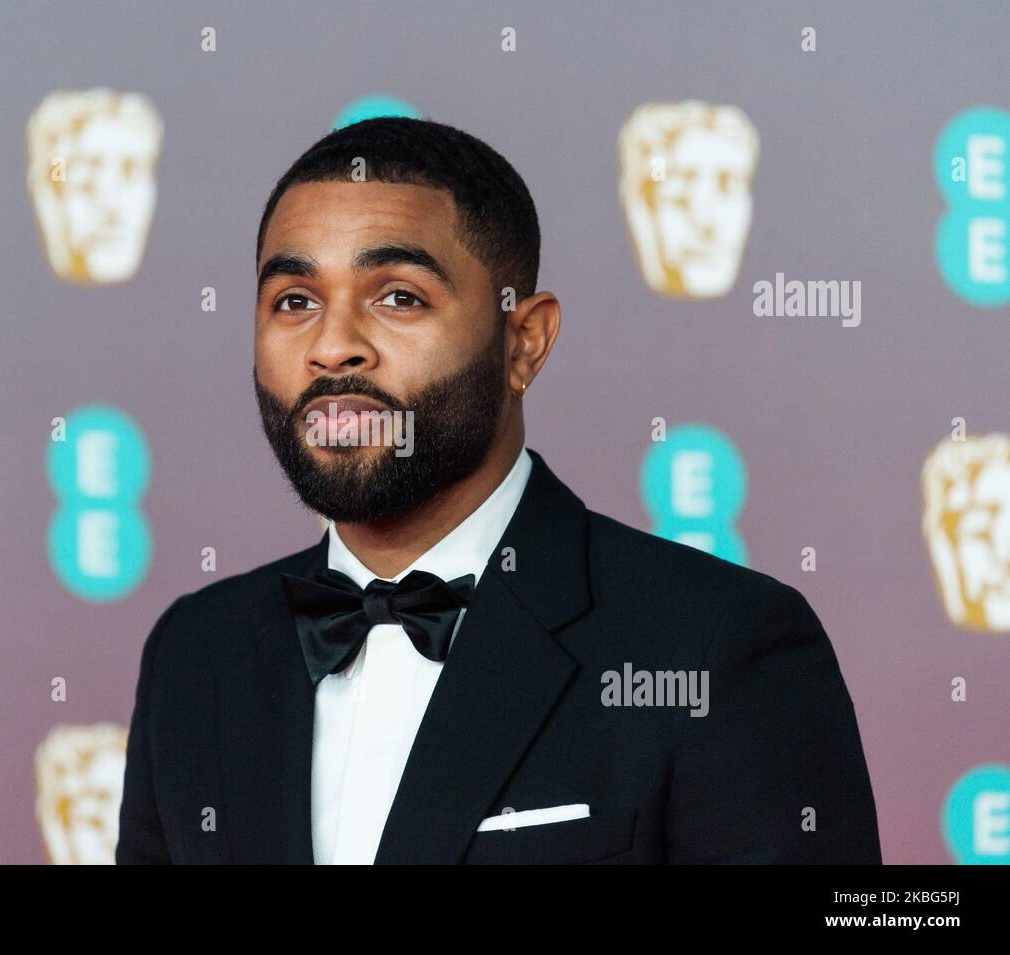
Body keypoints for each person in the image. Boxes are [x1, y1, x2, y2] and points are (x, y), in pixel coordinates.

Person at [116, 116, 881, 864]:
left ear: (524, 342)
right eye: (294, 301)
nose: (331, 345)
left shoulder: (717, 644)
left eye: (399, 297)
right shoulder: (194, 656)